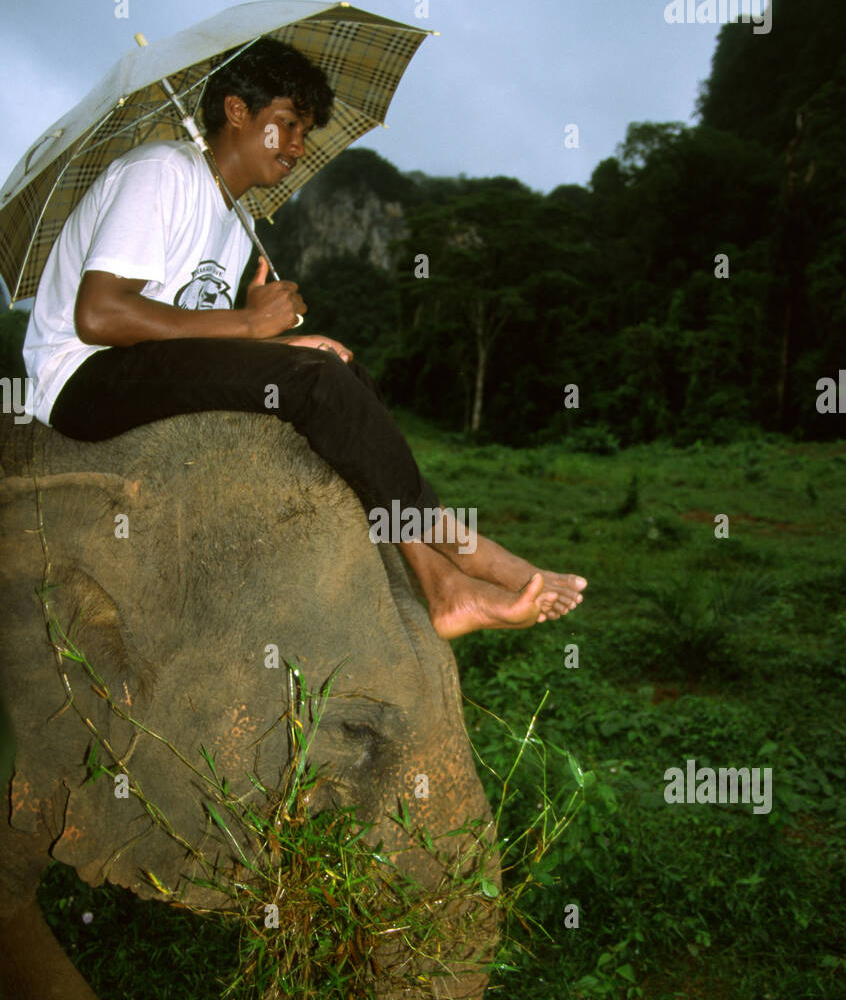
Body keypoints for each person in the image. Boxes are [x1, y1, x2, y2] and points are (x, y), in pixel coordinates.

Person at [24, 38, 587, 638]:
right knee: (313, 379)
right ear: (237, 111)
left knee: (335, 363)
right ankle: (465, 547)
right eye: (287, 125)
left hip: (145, 368)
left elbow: (186, 344)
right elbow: (102, 316)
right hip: (83, 379)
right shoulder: (162, 171)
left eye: (305, 133)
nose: (296, 146)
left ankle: (440, 584)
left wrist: (273, 343)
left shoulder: (237, 224)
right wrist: (249, 327)